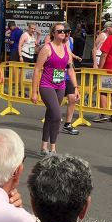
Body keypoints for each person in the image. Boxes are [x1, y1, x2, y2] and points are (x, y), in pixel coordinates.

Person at [30, 23, 80, 157]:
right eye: (60, 31)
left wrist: (75, 88)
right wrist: (34, 91)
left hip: (60, 86)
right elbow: (37, 70)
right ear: (53, 33)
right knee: (57, 116)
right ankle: (53, 150)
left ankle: (45, 146)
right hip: (47, 85)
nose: (63, 33)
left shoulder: (66, 48)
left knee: (50, 115)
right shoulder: (47, 48)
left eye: (65, 31)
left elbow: (70, 69)